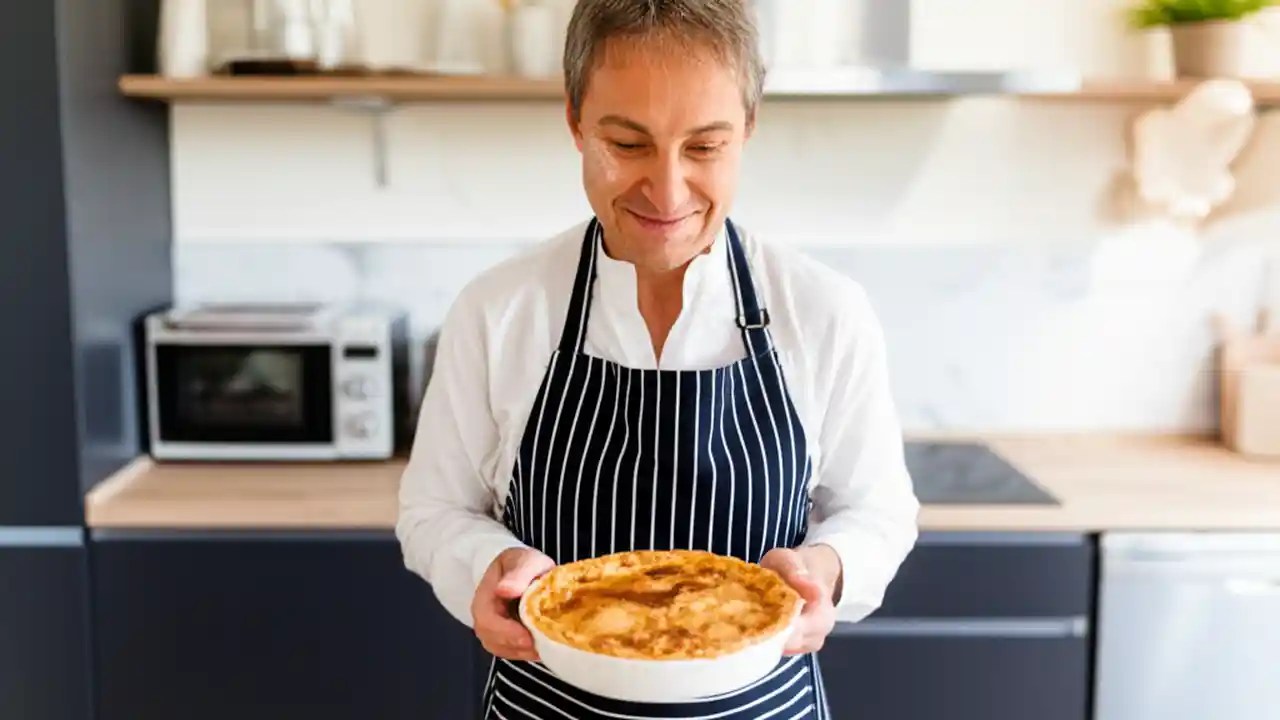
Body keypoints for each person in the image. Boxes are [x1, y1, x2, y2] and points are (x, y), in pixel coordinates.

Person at [396, 1, 920, 717]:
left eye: (705, 147)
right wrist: (488, 569)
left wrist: (824, 571)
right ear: (576, 120)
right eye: (628, 144)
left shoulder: (824, 311)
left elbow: (879, 513)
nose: (668, 191)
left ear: (749, 129)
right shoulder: (500, 310)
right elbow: (433, 509)